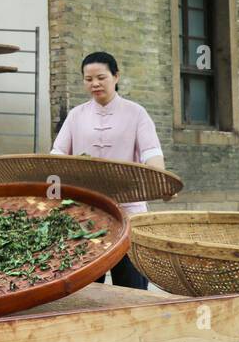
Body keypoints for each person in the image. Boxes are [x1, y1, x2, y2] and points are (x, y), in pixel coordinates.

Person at [51, 51, 167, 289]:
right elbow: (57, 156)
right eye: (88, 79)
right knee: (86, 288)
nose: (94, 84)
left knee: (132, 287)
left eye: (101, 77)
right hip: (86, 215)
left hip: (128, 213)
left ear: (116, 76)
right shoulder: (76, 116)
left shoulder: (136, 113)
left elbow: (151, 154)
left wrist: (161, 181)